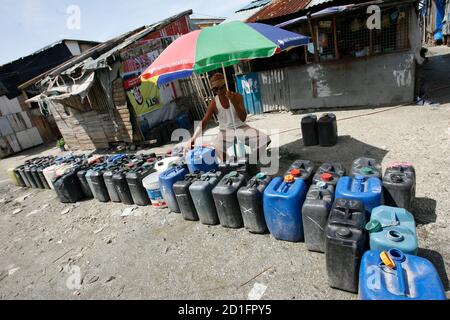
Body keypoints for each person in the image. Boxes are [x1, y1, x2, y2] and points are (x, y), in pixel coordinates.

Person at [184, 73, 271, 163]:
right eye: (215, 89)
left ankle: (250, 162)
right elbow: (204, 122)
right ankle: (232, 163)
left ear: (226, 85)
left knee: (265, 139)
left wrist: (233, 101)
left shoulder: (237, 96)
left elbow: (243, 118)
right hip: (225, 131)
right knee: (217, 146)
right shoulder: (213, 103)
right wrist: (193, 138)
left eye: (222, 87)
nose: (219, 91)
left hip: (241, 127)